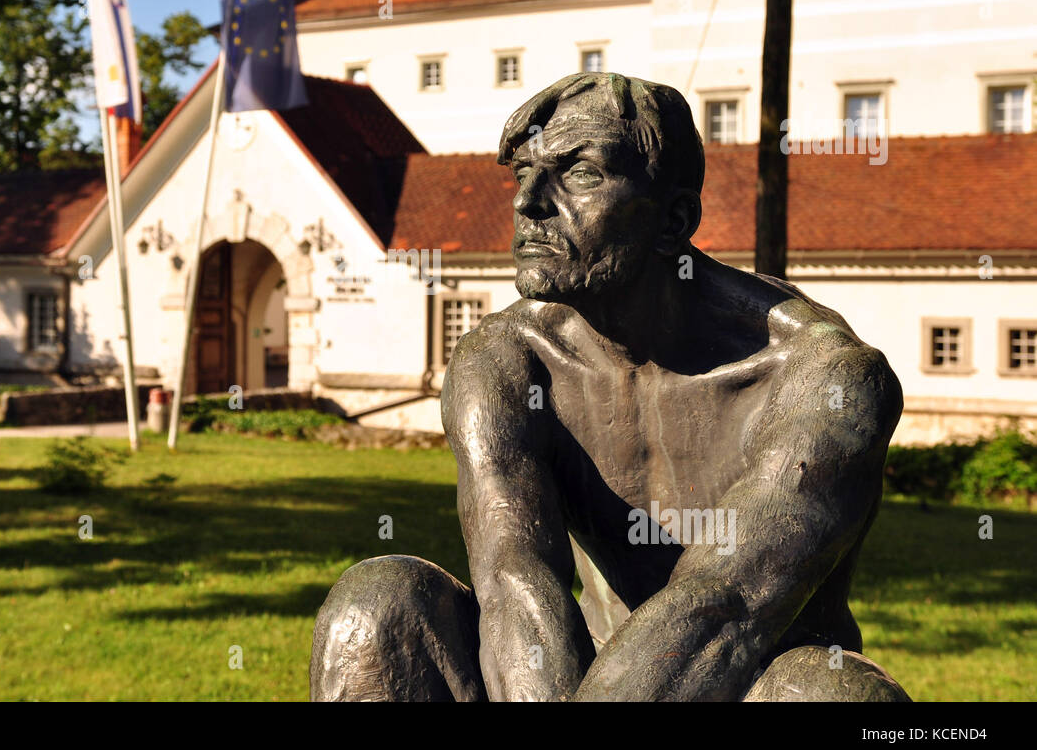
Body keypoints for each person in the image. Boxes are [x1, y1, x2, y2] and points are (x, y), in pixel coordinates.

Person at [311, 73, 910, 702]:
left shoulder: (822, 377)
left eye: (581, 174)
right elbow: (515, 580)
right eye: (524, 174)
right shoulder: (507, 361)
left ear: (674, 218)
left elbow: (722, 609)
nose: (528, 203)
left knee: (831, 694)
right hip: (574, 684)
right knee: (376, 606)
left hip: (744, 682)